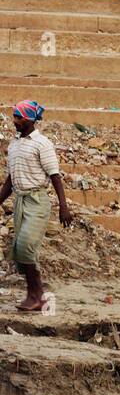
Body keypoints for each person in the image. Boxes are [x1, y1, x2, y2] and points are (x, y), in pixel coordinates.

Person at [1, 100, 72, 312]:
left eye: (19, 117)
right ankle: (33, 295)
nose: (15, 121)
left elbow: (55, 177)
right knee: (18, 251)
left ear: (30, 119)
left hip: (37, 201)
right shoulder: (14, 145)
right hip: (20, 201)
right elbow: (10, 181)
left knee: (25, 246)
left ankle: (39, 295)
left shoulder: (42, 144)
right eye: (14, 116)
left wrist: (63, 206)